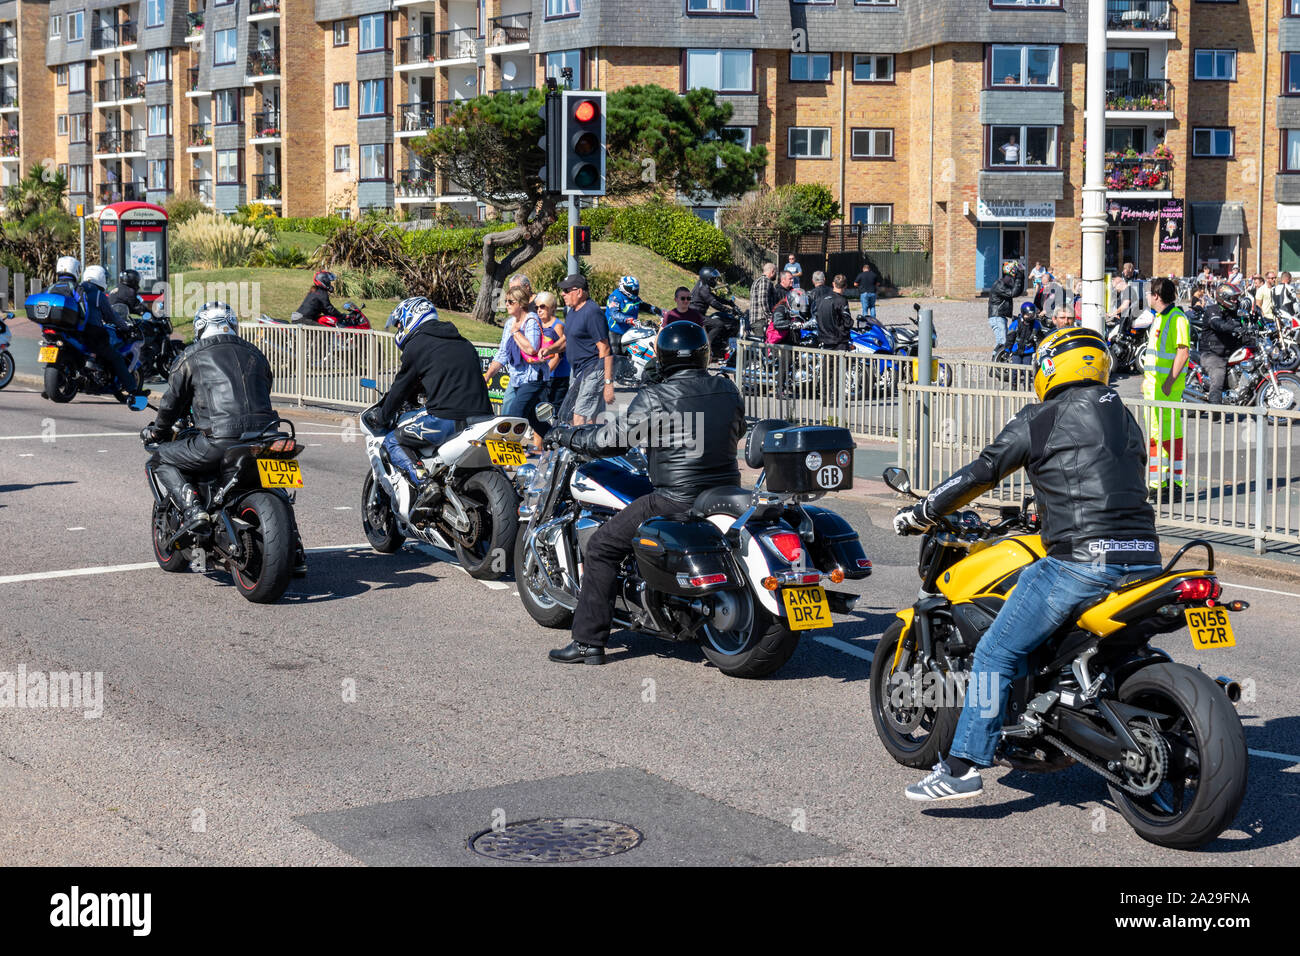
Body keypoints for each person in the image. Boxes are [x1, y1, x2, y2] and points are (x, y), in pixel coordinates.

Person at [894, 326, 1162, 800]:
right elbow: (1099, 479)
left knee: (995, 652)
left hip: (1081, 562)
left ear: (1049, 367)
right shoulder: (1124, 416)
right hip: (1145, 559)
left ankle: (960, 767)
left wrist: (925, 509)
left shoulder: (1042, 416)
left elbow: (982, 472)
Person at [546, 322, 746, 665]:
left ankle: (587, 643)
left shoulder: (655, 396)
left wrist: (569, 437)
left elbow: (610, 441)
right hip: (725, 495)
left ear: (662, 356)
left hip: (676, 498)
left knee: (601, 547)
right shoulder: (727, 389)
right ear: (703, 354)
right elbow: (737, 428)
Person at [141, 301, 277, 536]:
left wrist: (158, 432)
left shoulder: (190, 356)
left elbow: (171, 402)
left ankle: (194, 510)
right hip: (269, 434)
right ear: (233, 325)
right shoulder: (256, 353)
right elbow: (266, 387)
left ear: (199, 328)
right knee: (275, 483)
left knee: (160, 457)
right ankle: (294, 545)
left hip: (221, 438)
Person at [379, 296, 493, 499]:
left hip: (447, 420)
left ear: (411, 318)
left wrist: (383, 415)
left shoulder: (417, 346)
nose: (398, 328)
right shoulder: (463, 342)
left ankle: (424, 484)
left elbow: (400, 388)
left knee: (392, 442)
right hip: (484, 418)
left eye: (399, 324)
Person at [49, 258, 143, 404]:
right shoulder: (98, 294)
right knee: (116, 358)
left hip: (75, 332)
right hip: (94, 334)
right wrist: (126, 326)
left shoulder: (76, 287)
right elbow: (111, 316)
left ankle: (55, 384)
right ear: (100, 278)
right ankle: (133, 390)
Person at [1143, 277, 1191, 500]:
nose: (1148, 297)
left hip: (1165, 389)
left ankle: (1174, 483)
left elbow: (1183, 352)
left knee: (1170, 436)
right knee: (1156, 437)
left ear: (1156, 295)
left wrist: (1169, 383)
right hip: (1154, 389)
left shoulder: (1177, 318)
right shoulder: (1160, 318)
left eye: (1149, 293)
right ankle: (1158, 483)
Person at [556, 273, 614, 425]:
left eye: (567, 290)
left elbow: (605, 348)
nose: (563, 294)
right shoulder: (572, 312)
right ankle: (597, 445)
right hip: (578, 371)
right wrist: (550, 350)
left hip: (593, 370)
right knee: (595, 417)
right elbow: (568, 339)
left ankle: (577, 448)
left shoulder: (592, 312)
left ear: (579, 292)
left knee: (578, 415)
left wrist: (608, 383)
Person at [498, 289, 546, 438]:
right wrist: (486, 376)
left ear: (521, 304)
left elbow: (531, 348)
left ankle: (506, 456)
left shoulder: (531, 320)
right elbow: (502, 354)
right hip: (518, 378)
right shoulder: (510, 323)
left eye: (511, 301)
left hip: (533, 378)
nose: (507, 304)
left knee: (514, 417)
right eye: (506, 301)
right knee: (534, 420)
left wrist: (516, 332)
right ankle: (557, 440)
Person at [1197, 283, 1244, 419]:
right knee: (1218, 373)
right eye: (1233, 298)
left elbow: (1247, 319)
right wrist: (1233, 328)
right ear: (1224, 298)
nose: (1236, 301)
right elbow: (1218, 324)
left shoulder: (1234, 311)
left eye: (1236, 298)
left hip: (1229, 352)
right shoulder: (1212, 310)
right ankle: (1215, 408)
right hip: (1212, 353)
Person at [535, 291, 568, 449]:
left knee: (556, 412)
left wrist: (545, 373)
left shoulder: (558, 326)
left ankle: (557, 444)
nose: (539, 310)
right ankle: (538, 446)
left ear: (552, 308)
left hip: (558, 375)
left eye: (543, 307)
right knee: (539, 410)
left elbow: (559, 354)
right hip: (542, 374)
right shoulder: (537, 324)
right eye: (537, 307)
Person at [690, 266, 735, 358]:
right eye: (713, 279)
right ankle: (706, 348)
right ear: (708, 278)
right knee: (718, 324)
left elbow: (715, 298)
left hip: (695, 314)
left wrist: (729, 302)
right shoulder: (703, 288)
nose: (715, 281)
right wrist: (728, 311)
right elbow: (713, 302)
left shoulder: (702, 285)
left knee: (715, 319)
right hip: (695, 316)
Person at [605, 275, 661, 346]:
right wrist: (629, 320)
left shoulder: (634, 298)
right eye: (631, 290)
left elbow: (643, 305)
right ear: (623, 287)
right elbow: (615, 314)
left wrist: (656, 310)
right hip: (615, 330)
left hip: (630, 329)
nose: (634, 292)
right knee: (616, 352)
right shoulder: (615, 297)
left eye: (635, 290)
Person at [987, 260, 1024, 350]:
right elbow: (1013, 293)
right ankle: (997, 362)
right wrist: (1019, 277)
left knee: (1003, 341)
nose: (1013, 281)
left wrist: (1020, 278)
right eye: (1012, 278)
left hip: (1000, 316)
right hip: (997, 317)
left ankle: (998, 361)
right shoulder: (1000, 285)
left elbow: (1017, 292)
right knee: (1002, 342)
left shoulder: (1004, 284)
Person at [814, 274, 853, 351]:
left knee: (827, 362)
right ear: (845, 286)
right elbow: (848, 322)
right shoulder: (841, 300)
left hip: (824, 340)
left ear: (833, 284)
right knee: (841, 362)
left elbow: (816, 316)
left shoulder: (821, 299)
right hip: (838, 341)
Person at [749, 262, 778, 339]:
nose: (776, 275)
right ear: (772, 271)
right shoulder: (765, 281)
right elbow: (763, 301)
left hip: (757, 321)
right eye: (776, 272)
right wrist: (770, 317)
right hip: (761, 321)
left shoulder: (757, 281)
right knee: (763, 348)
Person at [853, 260, 881, 324]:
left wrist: (860, 286)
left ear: (863, 269)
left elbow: (855, 284)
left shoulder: (861, 275)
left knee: (865, 308)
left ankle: (866, 322)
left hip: (864, 293)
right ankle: (874, 322)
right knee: (872, 307)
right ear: (869, 269)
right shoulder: (874, 275)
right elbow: (878, 284)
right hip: (873, 293)